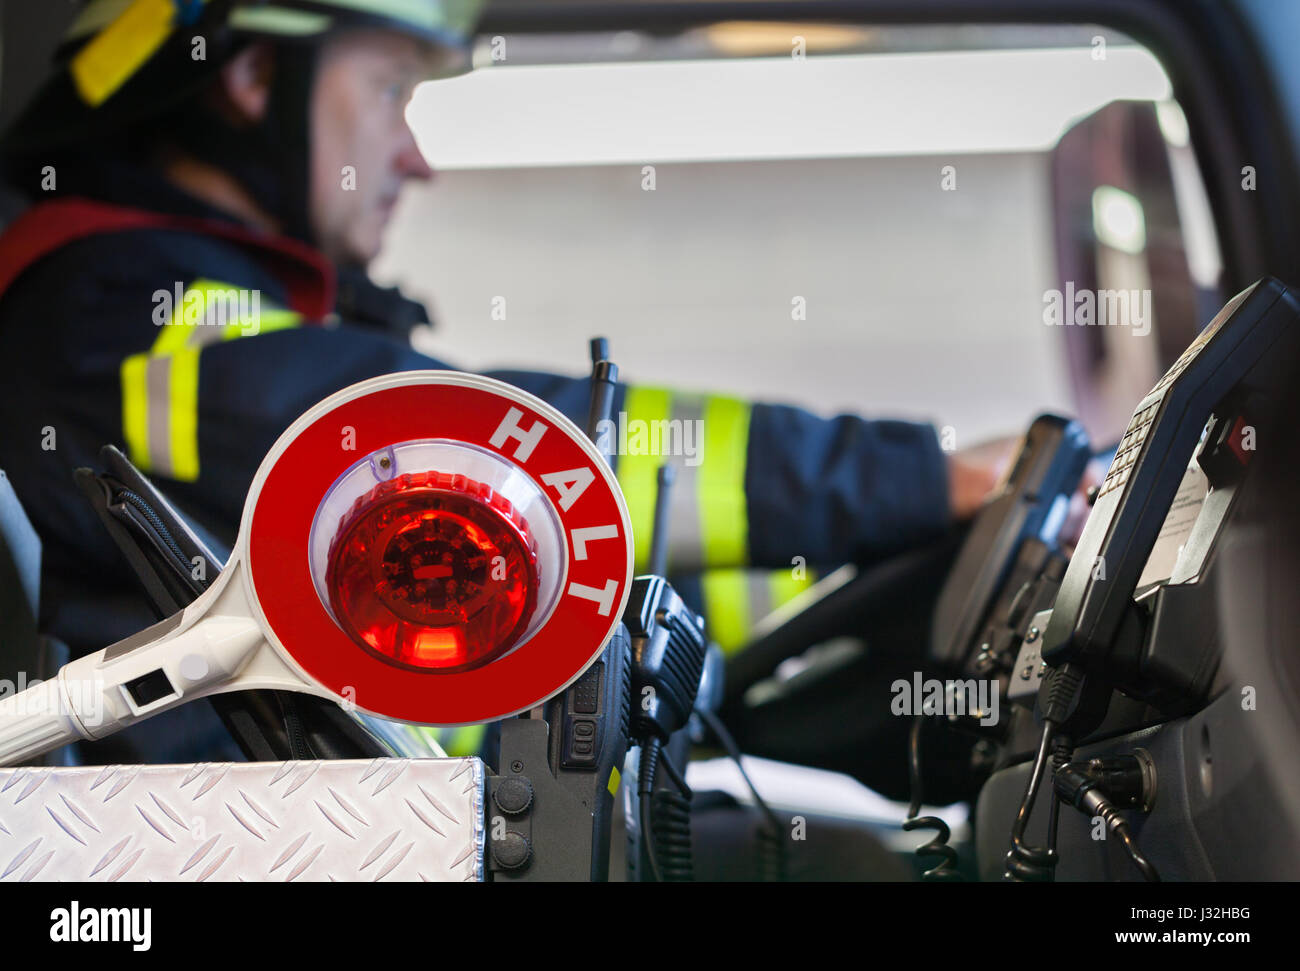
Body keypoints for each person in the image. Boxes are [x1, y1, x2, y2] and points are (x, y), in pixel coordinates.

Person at [0, 0, 1012, 761]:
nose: (417, 157)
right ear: (258, 77)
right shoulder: (104, 312)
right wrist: (914, 481)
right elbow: (485, 460)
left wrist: (861, 568)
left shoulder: (154, 306)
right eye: (394, 88)